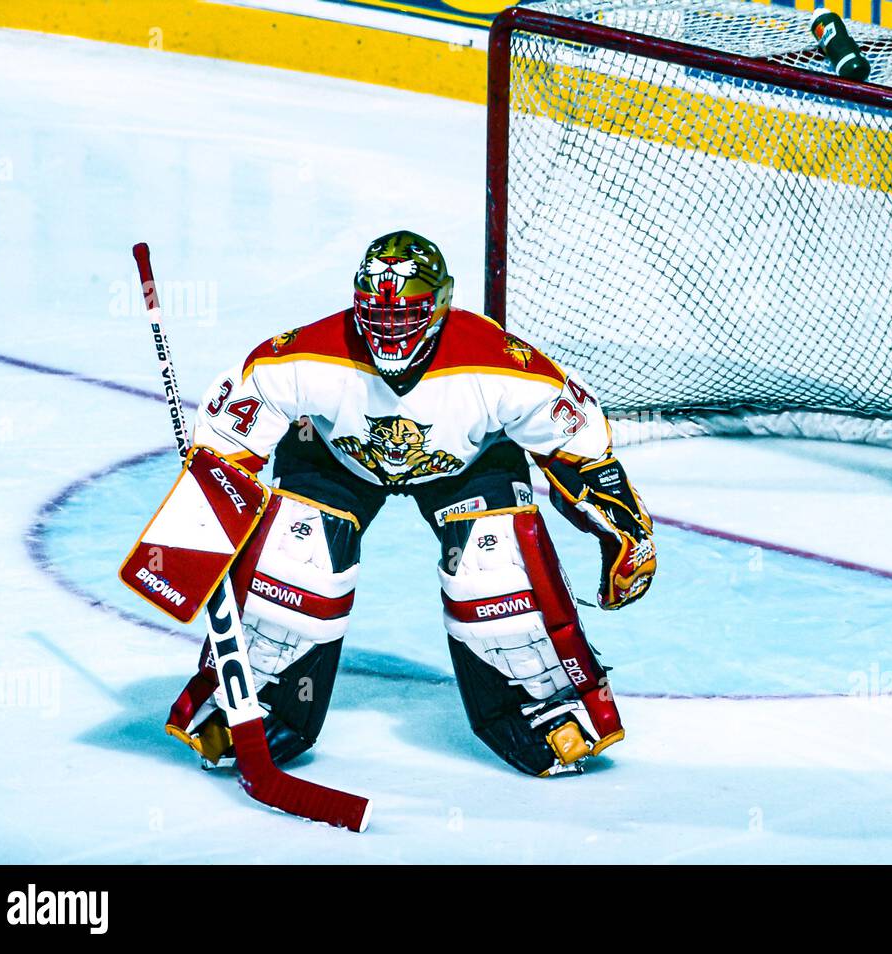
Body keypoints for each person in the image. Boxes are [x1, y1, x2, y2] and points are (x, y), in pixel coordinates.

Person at [163, 230, 656, 777]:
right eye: (376, 315)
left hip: (470, 465)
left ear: (442, 305)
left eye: (406, 316)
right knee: (291, 557)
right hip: (335, 462)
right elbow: (226, 447)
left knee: (491, 571)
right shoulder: (305, 355)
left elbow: (581, 446)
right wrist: (203, 521)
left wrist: (623, 528)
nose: (389, 332)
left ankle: (544, 704)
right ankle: (254, 704)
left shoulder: (499, 365)